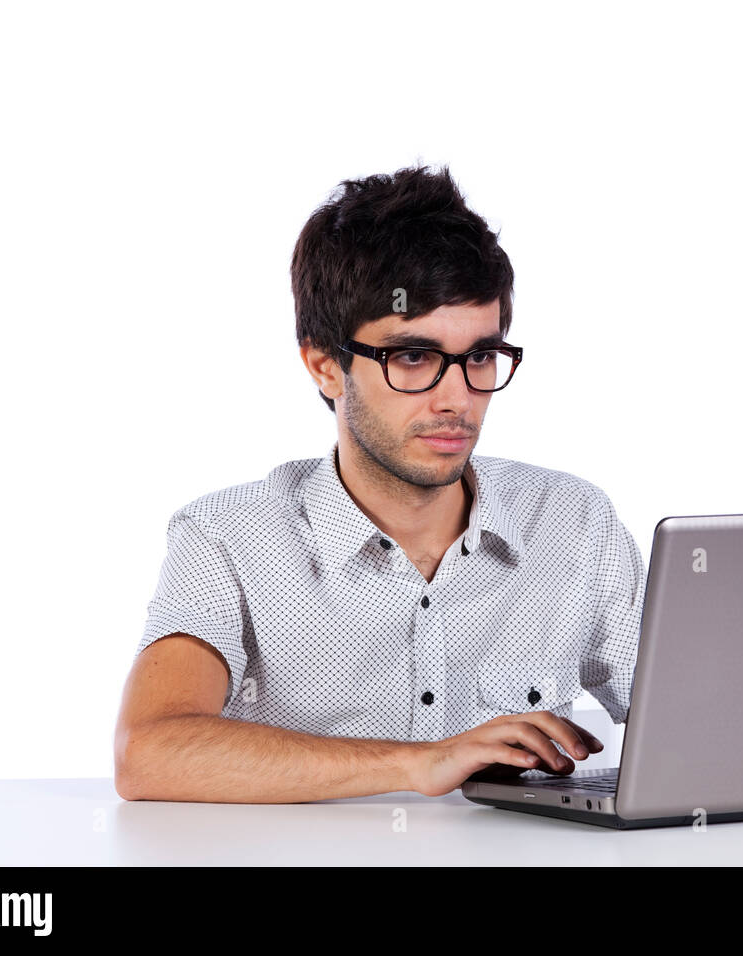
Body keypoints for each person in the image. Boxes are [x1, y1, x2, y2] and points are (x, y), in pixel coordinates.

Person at [113, 165, 646, 803]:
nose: (458, 399)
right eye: (413, 357)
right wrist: (419, 764)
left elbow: (698, 718)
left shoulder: (574, 521)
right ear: (324, 366)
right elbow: (148, 753)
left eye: (479, 356)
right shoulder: (229, 538)